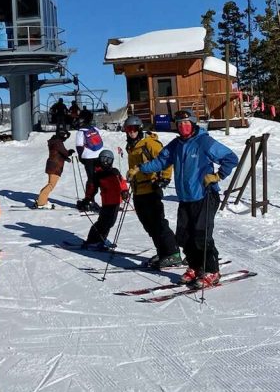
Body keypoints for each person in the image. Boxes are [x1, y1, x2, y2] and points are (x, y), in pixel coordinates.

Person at [132, 109, 238, 288]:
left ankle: (211, 270)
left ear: (193, 123)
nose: (183, 127)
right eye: (180, 124)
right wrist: (140, 168)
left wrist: (218, 176)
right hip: (186, 197)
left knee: (201, 235)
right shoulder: (176, 144)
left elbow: (230, 158)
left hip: (204, 195)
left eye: (186, 123)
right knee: (184, 236)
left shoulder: (204, 142)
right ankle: (195, 267)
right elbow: (160, 161)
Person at [123, 115, 181, 268]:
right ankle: (163, 252)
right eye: (128, 129)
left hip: (151, 188)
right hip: (138, 191)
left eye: (134, 129)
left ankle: (173, 252)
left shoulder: (150, 144)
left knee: (158, 223)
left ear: (140, 129)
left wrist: (165, 178)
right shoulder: (131, 146)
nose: (131, 132)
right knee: (148, 225)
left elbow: (166, 160)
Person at [82, 149, 128, 249]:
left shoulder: (114, 171)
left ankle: (99, 239)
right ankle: (95, 240)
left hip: (116, 201)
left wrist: (124, 191)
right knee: (105, 222)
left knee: (108, 222)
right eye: (103, 159)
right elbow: (92, 187)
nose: (105, 161)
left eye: (108, 159)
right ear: (100, 160)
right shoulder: (98, 174)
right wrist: (87, 199)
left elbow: (122, 182)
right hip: (107, 201)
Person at [32, 129, 73, 209]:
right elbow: (64, 152)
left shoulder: (54, 141)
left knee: (50, 184)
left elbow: (58, 153)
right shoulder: (58, 142)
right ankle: (41, 202)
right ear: (61, 135)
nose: (65, 138)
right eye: (64, 136)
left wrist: (65, 157)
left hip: (52, 164)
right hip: (55, 166)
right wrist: (69, 153)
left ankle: (42, 199)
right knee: (51, 185)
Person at [74, 111, 104, 210]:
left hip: (88, 158)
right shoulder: (94, 128)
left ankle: (89, 199)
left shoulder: (81, 131)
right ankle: (99, 199)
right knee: (100, 178)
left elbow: (79, 146)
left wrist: (81, 157)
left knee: (91, 179)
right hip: (99, 156)